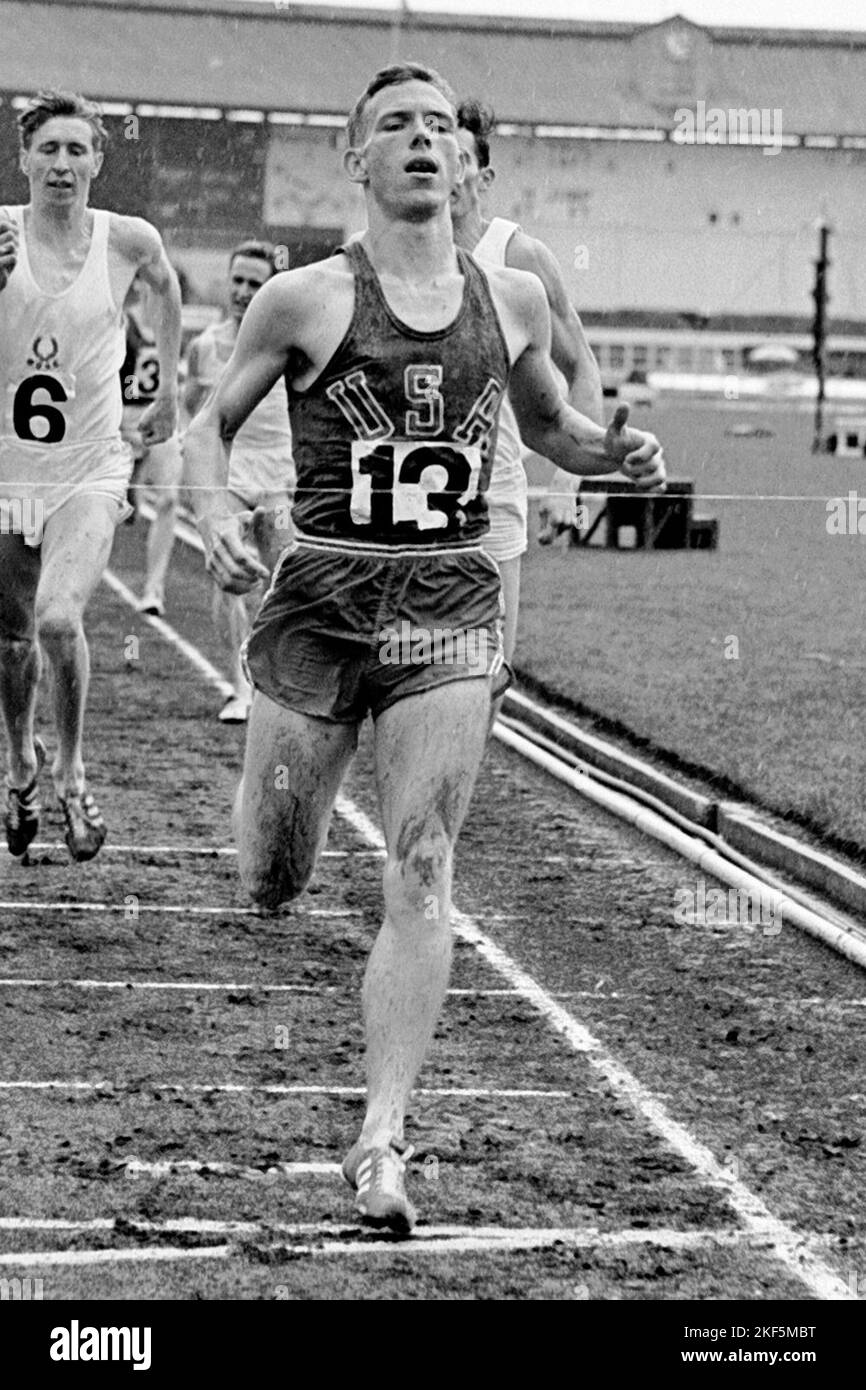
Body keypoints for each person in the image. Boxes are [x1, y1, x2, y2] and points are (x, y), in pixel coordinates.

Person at [184, 63, 665, 1235]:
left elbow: (549, 421)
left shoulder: (508, 297)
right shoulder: (301, 298)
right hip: (318, 599)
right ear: (355, 158)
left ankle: (380, 1138)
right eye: (393, 125)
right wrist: (206, 507)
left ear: (460, 160)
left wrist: (615, 456)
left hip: (446, 603)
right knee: (274, 872)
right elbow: (210, 423)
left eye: (437, 126)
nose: (419, 141)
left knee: (422, 858)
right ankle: (267, 833)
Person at [0, 89, 181, 862]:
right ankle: (20, 766)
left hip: (91, 467)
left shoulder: (127, 240)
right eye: (49, 150)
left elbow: (170, 289)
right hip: (7, 472)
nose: (63, 165)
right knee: (10, 646)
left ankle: (73, 772)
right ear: (24, 160)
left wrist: (169, 385)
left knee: (55, 619)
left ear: (99, 161)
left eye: (78, 150)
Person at [452, 99, 604, 662]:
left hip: (492, 496)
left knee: (487, 672)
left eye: (461, 156)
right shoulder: (392, 253)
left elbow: (582, 367)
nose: (446, 166)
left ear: (484, 176)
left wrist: (568, 483)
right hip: (398, 498)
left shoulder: (518, 257)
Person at [183, 241, 294, 723]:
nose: (245, 292)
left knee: (282, 582)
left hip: (278, 476)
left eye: (256, 283)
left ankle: (278, 680)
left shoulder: (287, 346)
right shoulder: (205, 347)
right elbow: (196, 412)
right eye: (239, 281)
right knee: (227, 574)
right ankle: (237, 686)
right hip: (232, 470)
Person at [120, 278, 183, 617]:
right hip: (122, 421)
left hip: (159, 419)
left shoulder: (172, 326)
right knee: (116, 507)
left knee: (169, 497)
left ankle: (153, 589)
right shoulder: (122, 320)